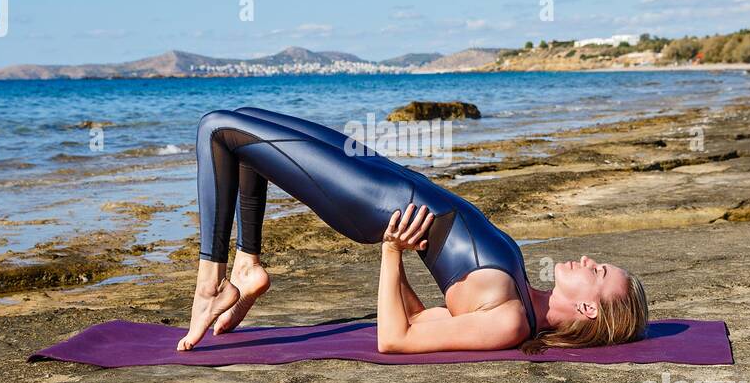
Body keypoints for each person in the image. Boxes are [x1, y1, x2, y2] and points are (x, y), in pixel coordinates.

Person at [178, 107, 648, 354]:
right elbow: (420, 317)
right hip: (390, 178)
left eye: (600, 271)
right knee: (243, 124)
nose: (589, 261)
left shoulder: (511, 322)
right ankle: (247, 266)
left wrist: (390, 252)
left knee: (218, 129)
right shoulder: (524, 298)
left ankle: (210, 286)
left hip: (372, 200)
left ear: (588, 307)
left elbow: (397, 338)